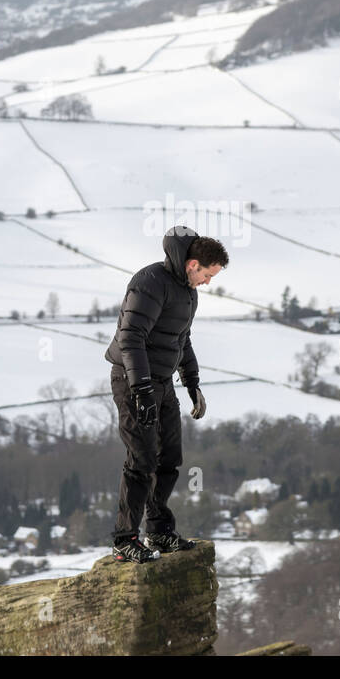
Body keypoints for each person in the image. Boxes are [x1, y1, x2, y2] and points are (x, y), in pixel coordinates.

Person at [103, 225, 229, 562]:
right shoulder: (150, 283)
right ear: (192, 264)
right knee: (141, 460)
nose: (208, 282)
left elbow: (181, 339)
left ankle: (158, 530)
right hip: (133, 382)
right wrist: (141, 390)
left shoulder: (189, 293)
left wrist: (192, 383)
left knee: (168, 459)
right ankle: (124, 538)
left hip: (162, 383)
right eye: (207, 274)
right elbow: (131, 338)